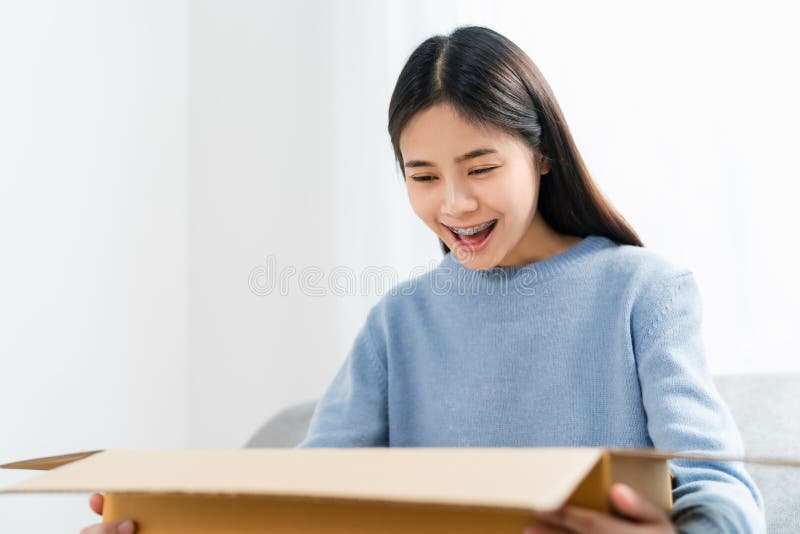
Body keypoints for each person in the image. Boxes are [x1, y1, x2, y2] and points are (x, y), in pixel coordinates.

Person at [81, 25, 765, 533]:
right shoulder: (400, 322)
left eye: (481, 167)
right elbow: (305, 499)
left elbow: (723, 491)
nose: (455, 204)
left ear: (542, 155)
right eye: (424, 176)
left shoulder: (642, 292)